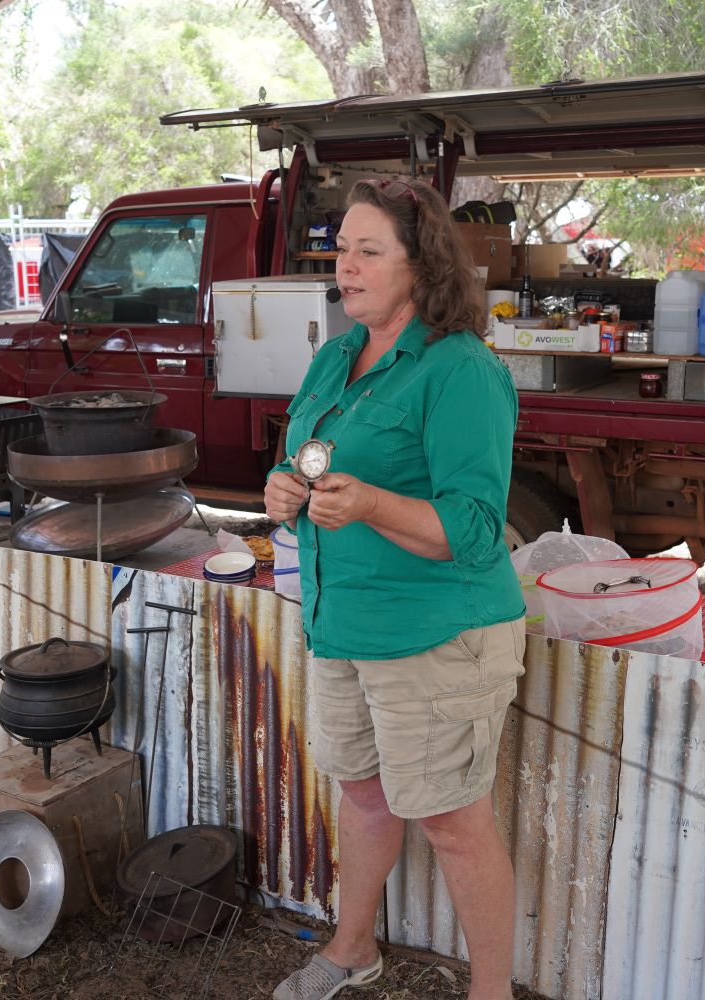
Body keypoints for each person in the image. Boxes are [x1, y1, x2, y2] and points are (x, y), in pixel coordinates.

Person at [266, 176, 526, 1000]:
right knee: (364, 793)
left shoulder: (462, 371)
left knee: (452, 822)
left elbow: (479, 533)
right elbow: (303, 456)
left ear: (420, 266)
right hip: (342, 624)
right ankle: (352, 949)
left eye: (368, 251)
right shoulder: (339, 355)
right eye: (341, 247)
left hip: (436, 635)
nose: (344, 265)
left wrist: (372, 504)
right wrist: (282, 485)